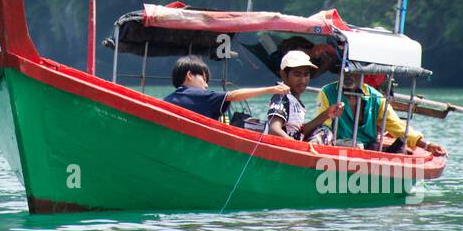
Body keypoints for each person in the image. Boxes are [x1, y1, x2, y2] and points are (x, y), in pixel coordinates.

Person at [315, 72, 446, 155]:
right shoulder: (328, 92)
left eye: (355, 70)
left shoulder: (376, 97)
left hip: (369, 151)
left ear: (363, 72)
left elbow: (396, 125)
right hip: (337, 148)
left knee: (400, 146)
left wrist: (427, 145)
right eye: (346, 70)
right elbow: (325, 127)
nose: (348, 74)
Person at [162, 55, 289, 121]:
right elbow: (233, 96)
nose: (206, 85)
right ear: (189, 75)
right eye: (204, 79)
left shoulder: (166, 100)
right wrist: (270, 90)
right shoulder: (198, 95)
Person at [264, 50, 342, 143]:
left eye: (306, 75)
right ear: (284, 75)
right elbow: (274, 129)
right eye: (297, 75)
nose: (303, 80)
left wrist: (326, 114)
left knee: (324, 131)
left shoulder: (295, 101)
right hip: (285, 149)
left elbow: (300, 132)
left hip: (294, 146)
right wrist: (297, 146)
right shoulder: (282, 97)